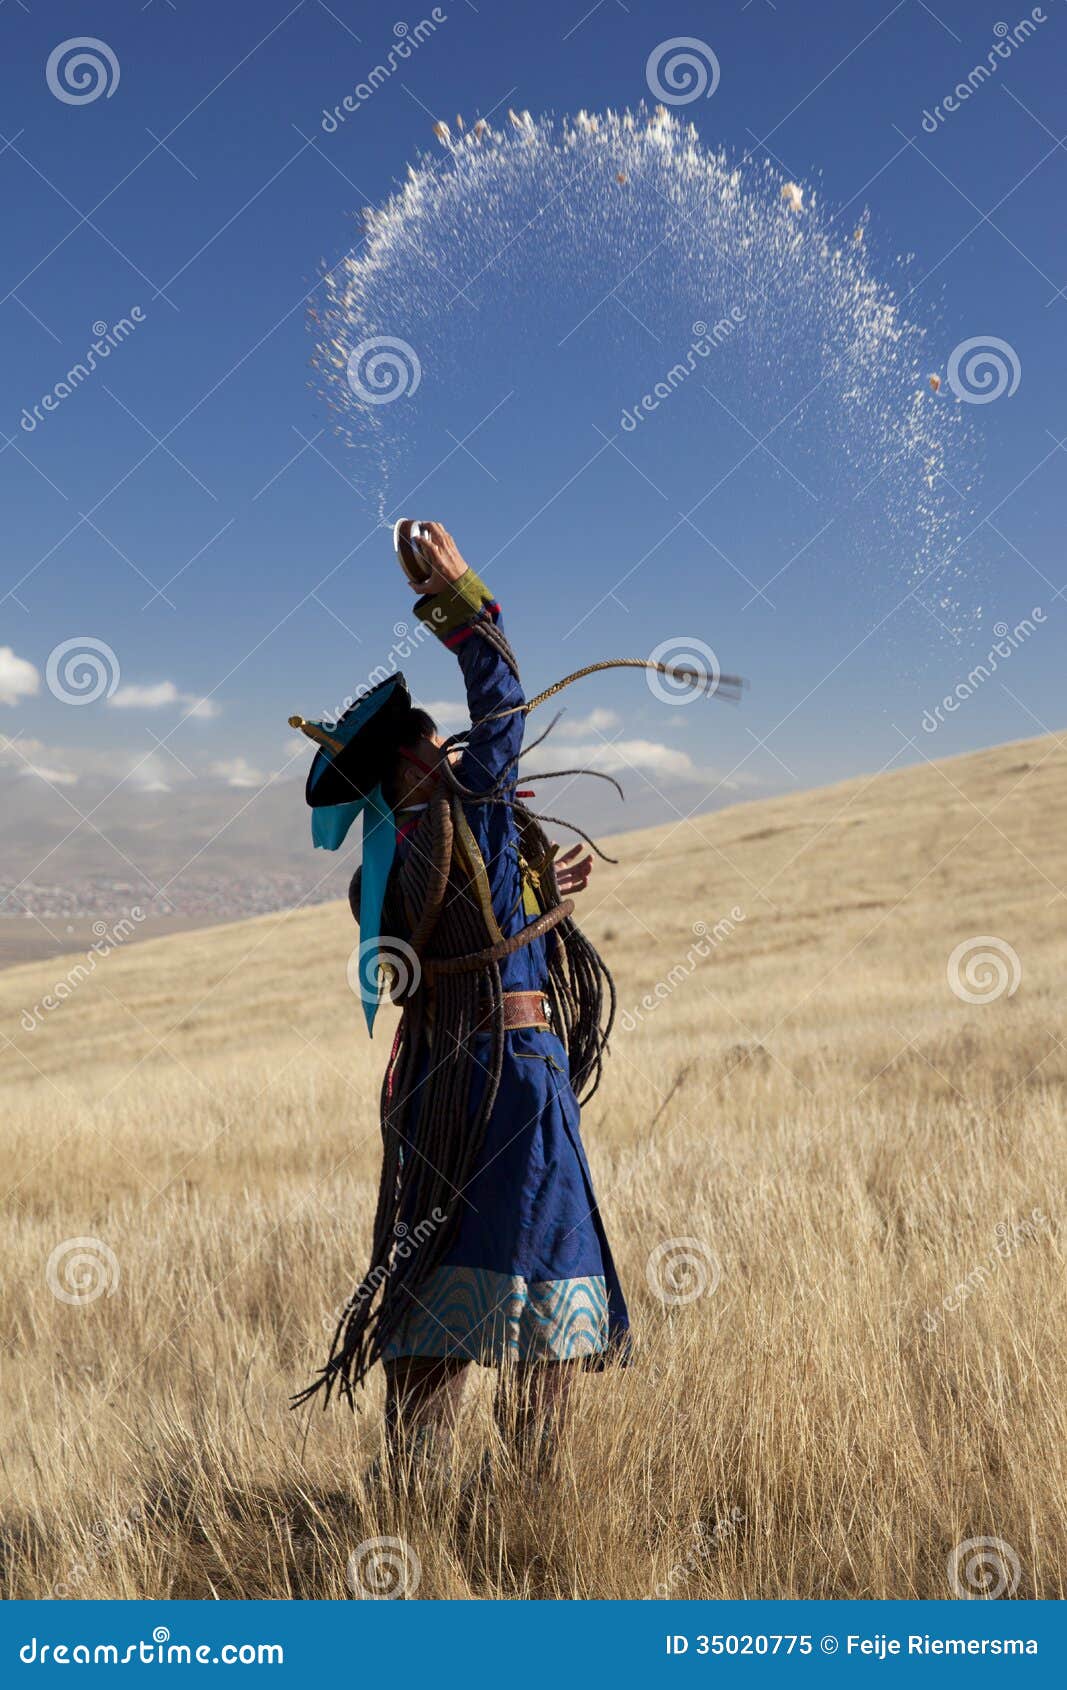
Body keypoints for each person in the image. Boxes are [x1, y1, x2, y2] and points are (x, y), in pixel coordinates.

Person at [289, 522, 630, 1482]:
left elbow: (458, 941)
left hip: (432, 1088)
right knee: (547, 1281)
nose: (451, 745)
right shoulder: (459, 804)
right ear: (408, 762)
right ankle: (535, 1500)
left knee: (427, 1281)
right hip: (512, 1087)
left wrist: (531, 886)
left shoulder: (383, 869)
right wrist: (461, 600)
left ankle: (412, 1503)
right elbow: (506, 701)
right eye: (435, 740)